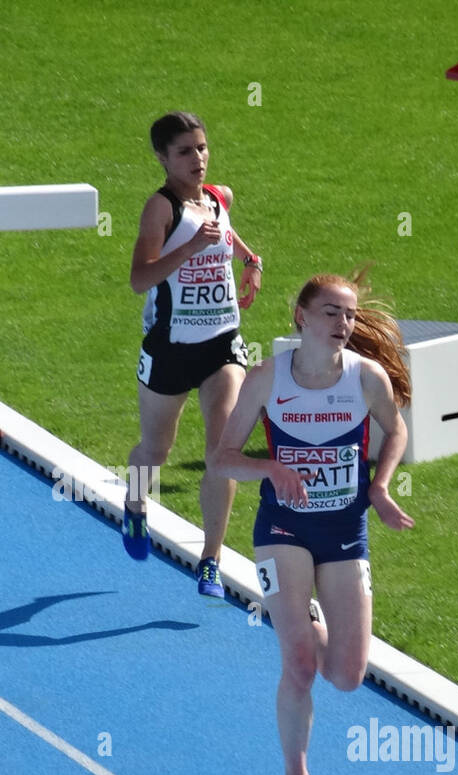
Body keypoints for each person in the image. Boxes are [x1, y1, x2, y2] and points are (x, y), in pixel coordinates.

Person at [212, 268, 414, 775]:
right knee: (300, 664)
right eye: (331, 312)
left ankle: (312, 614)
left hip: (345, 530)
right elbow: (222, 459)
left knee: (347, 676)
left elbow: (395, 429)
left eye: (350, 315)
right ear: (301, 317)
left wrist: (379, 486)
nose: (343, 323)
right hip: (284, 530)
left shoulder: (366, 378)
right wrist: (272, 468)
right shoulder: (267, 379)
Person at [121, 111, 262, 598]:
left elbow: (225, 233)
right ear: (162, 158)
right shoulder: (159, 209)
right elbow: (139, 278)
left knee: (222, 453)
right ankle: (135, 504)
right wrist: (189, 250)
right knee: (156, 450)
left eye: (201, 147)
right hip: (170, 347)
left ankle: (210, 561)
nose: (197, 158)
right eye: (184, 151)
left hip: (222, 344)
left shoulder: (219, 197)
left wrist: (250, 260)